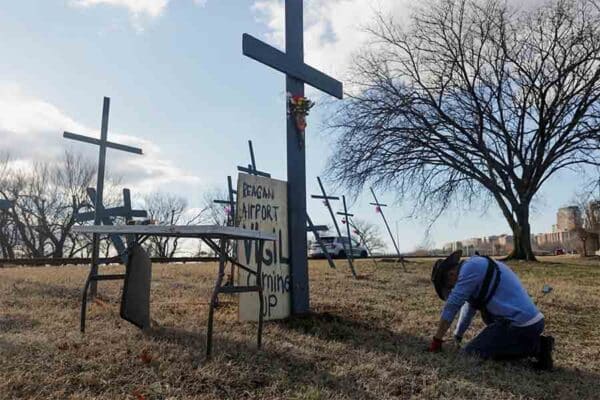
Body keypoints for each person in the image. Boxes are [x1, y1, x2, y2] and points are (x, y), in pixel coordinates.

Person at [428, 250, 555, 370]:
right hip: (526, 322)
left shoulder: (470, 268)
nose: (453, 289)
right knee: (485, 320)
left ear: (451, 274)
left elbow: (452, 305)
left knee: (472, 353)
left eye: (450, 286)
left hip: (520, 324)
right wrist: (457, 336)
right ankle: (526, 342)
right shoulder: (475, 266)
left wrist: (437, 340)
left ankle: (538, 347)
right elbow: (469, 308)